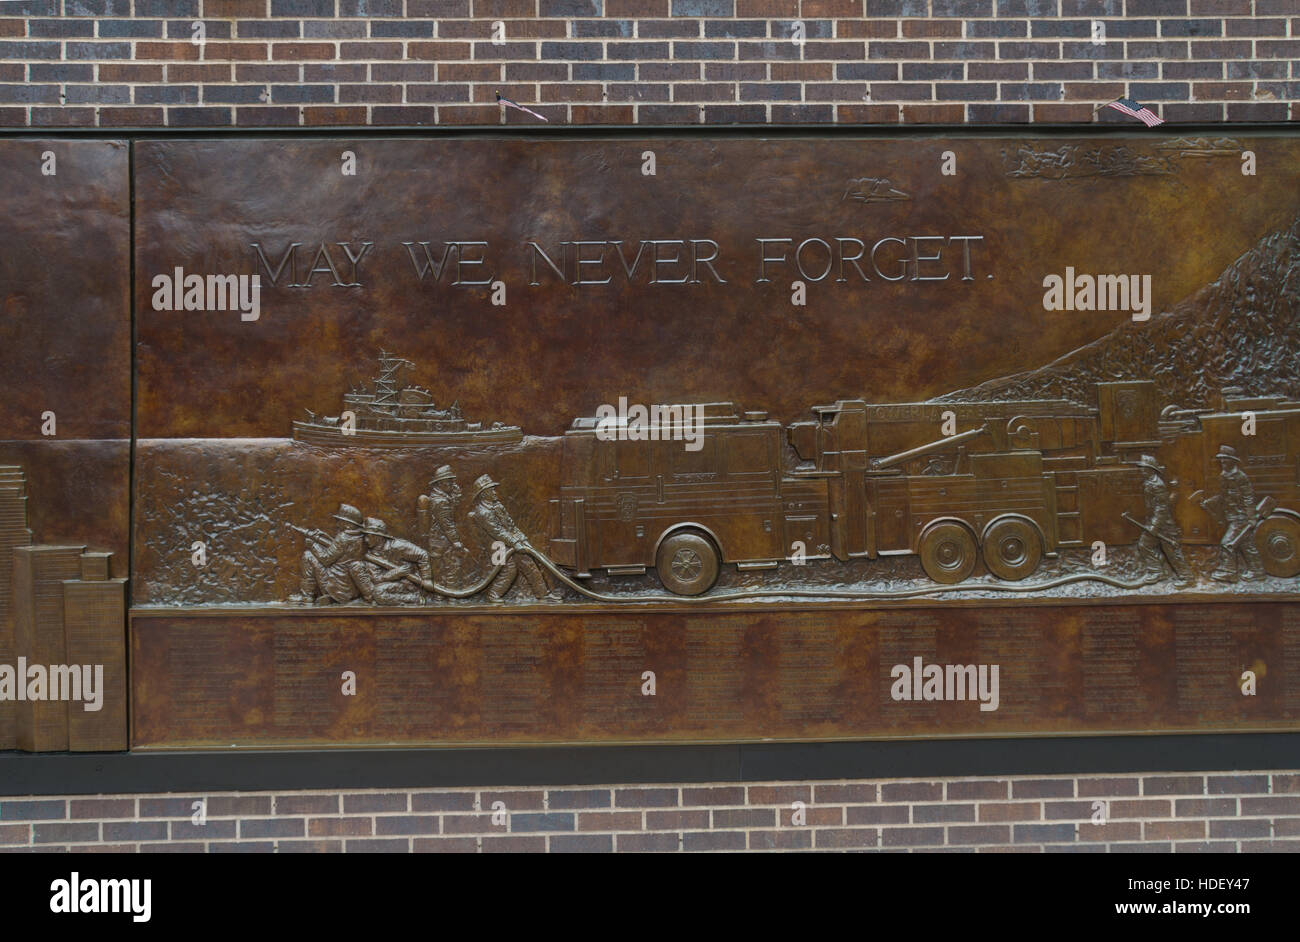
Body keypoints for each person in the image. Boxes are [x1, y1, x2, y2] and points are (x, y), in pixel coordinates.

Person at [466, 474, 549, 602]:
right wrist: (515, 542)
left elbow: (511, 526)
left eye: (493, 489)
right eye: (491, 490)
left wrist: (522, 538)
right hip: (496, 547)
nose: (494, 492)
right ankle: (493, 595)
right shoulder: (483, 512)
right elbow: (498, 532)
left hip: (510, 543)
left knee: (528, 564)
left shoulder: (498, 506)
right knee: (509, 570)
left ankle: (543, 594)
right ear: (483, 495)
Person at [1134, 455, 1194, 588]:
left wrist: (1155, 525)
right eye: (1141, 468)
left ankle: (1187, 578)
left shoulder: (1157, 485)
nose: (1141, 470)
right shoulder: (1149, 482)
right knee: (1144, 544)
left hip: (1163, 525)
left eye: (1144, 468)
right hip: (1155, 522)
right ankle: (1156, 572)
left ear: (1151, 470)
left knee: (1171, 551)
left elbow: (1162, 508)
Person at [296, 503, 372, 605]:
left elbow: (326, 559)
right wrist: (324, 537)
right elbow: (339, 550)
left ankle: (308, 596)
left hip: (335, 586)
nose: (337, 523)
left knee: (308, 555)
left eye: (340, 521)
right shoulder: (362, 537)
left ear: (348, 524)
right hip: (351, 589)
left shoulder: (343, 537)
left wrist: (313, 545)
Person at [1210, 445, 1264, 582]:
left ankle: (1229, 572)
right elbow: (1223, 496)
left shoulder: (1240, 477)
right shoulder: (1224, 475)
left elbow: (1248, 497)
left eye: (1225, 460)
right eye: (1221, 460)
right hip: (1232, 515)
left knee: (1227, 543)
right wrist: (1210, 501)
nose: (1222, 462)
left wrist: (1251, 517)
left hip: (1241, 517)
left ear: (1232, 461)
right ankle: (1258, 572)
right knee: (1247, 545)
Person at [361, 517, 433, 604]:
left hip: (410, 584)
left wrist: (427, 578)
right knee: (377, 593)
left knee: (378, 593)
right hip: (389, 586)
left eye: (368, 536)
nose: (365, 540)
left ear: (378, 537)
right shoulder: (370, 555)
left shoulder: (398, 546)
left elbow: (422, 555)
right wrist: (395, 573)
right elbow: (376, 579)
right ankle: (414, 599)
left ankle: (416, 598)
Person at [418, 465, 466, 586]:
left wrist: (456, 496)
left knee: (440, 569)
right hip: (442, 541)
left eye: (452, 480)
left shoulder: (442, 497)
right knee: (451, 567)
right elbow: (447, 524)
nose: (452, 483)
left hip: (438, 540)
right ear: (440, 483)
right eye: (448, 481)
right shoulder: (441, 501)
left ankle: (442, 594)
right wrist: (456, 541)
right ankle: (450, 594)